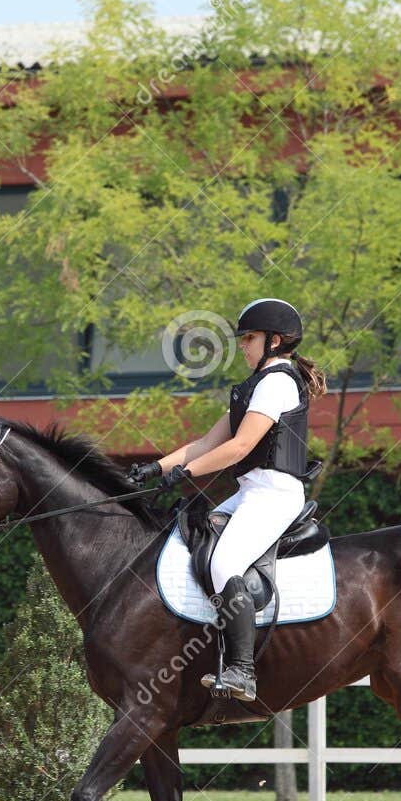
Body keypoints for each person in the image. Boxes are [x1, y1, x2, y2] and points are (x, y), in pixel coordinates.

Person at [128, 298, 325, 701]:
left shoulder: (278, 383)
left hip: (275, 495)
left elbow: (239, 447)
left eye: (249, 338)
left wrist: (185, 475)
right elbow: (205, 443)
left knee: (225, 562)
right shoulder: (254, 386)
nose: (243, 346)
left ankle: (243, 671)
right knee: (191, 545)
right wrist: (155, 469)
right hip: (251, 492)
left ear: (275, 340)